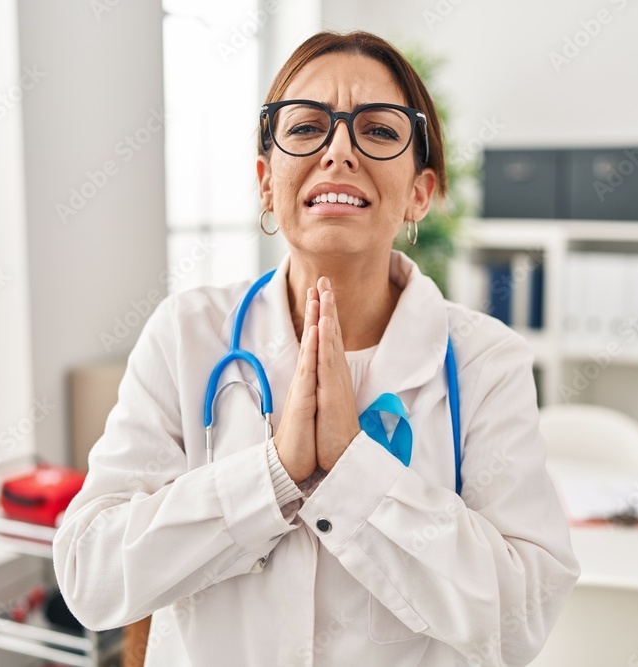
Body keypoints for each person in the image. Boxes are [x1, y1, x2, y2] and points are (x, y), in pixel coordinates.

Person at [53, 30, 579, 667]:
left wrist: (355, 472)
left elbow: (521, 618)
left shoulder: (484, 363)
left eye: (380, 132)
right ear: (266, 183)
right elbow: (90, 574)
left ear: (421, 191)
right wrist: (271, 476)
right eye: (305, 128)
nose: (339, 151)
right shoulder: (185, 336)